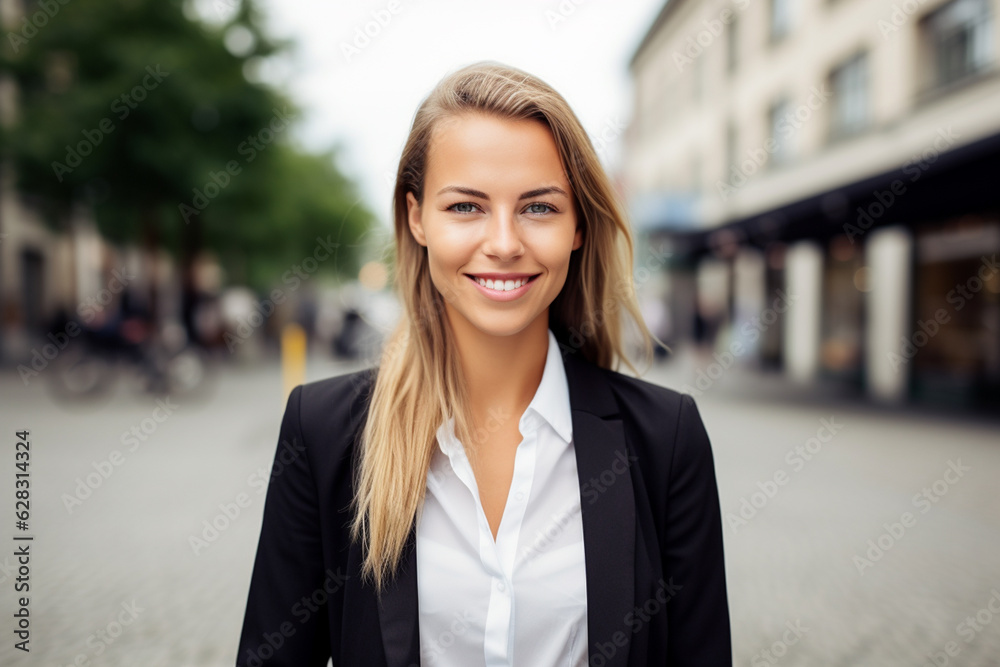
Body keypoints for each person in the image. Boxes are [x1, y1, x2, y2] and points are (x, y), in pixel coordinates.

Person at [235, 61, 731, 667]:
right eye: (466, 207)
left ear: (578, 226)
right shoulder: (325, 430)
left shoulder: (665, 439)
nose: (503, 242)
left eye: (539, 208)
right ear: (417, 217)